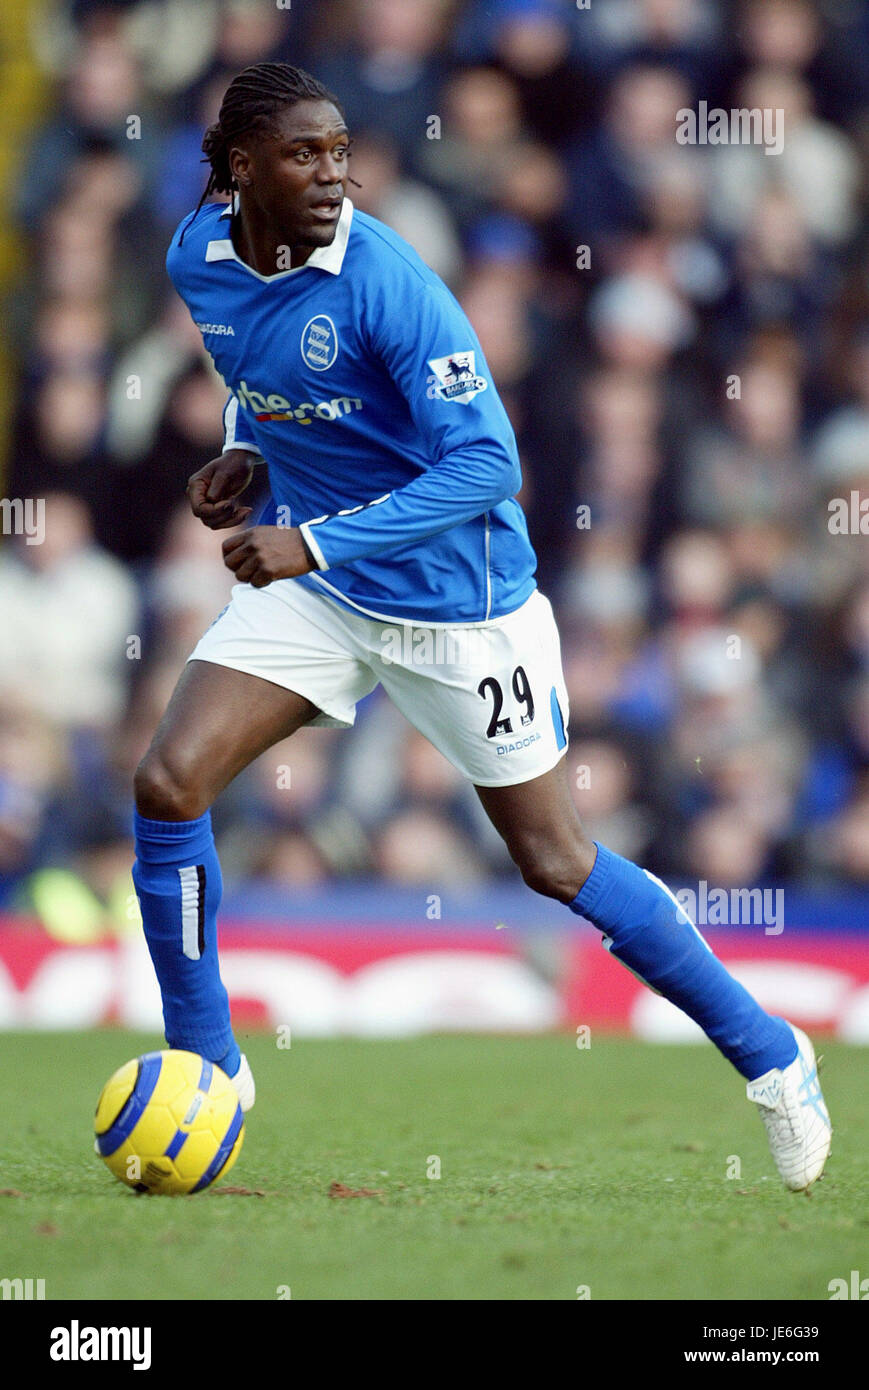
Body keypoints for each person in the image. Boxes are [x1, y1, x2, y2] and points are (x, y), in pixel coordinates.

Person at [132, 63, 830, 1192]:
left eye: (339, 150)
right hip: (326, 586)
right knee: (167, 783)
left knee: (554, 859)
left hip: (462, 606)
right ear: (239, 168)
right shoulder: (192, 257)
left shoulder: (389, 280)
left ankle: (769, 1052)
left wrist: (306, 539)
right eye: (304, 155)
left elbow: (488, 463)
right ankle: (209, 1063)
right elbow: (265, 378)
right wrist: (245, 453)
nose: (332, 173)